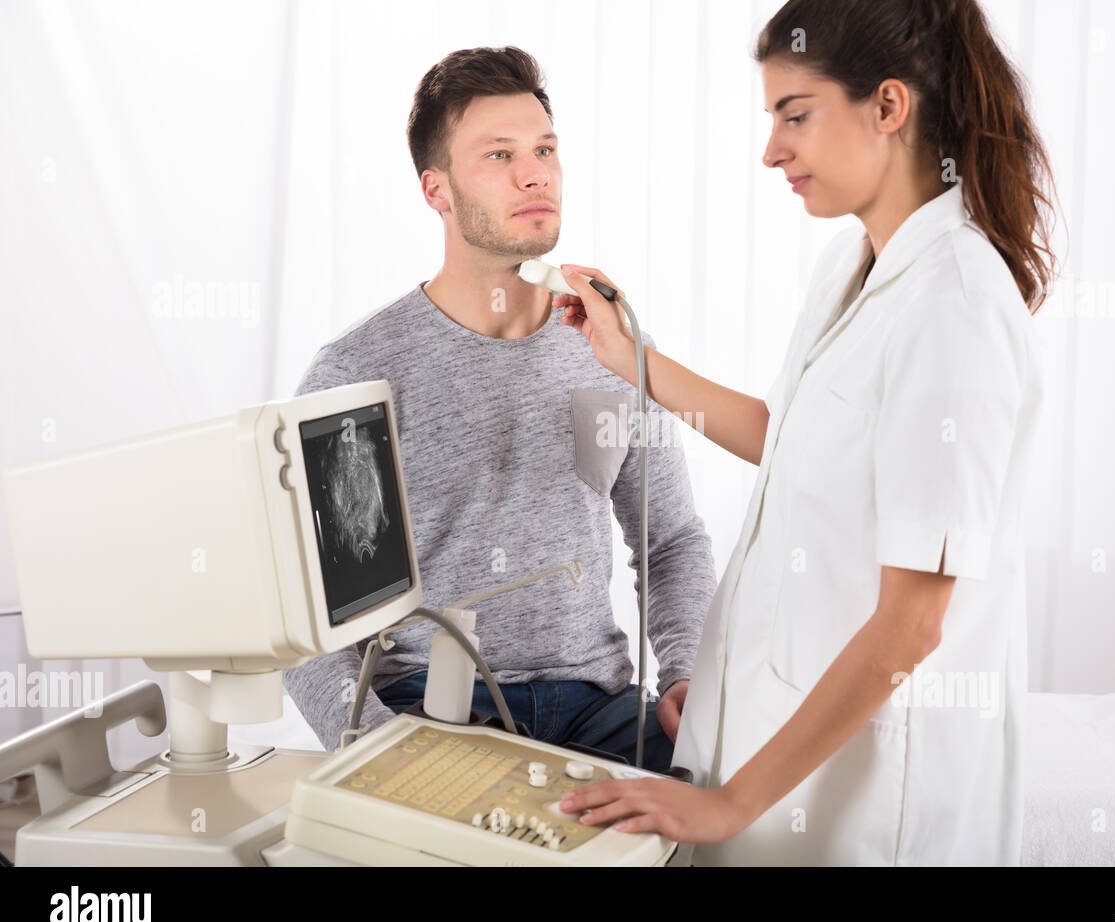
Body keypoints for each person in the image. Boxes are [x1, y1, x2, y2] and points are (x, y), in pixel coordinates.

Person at [554, 0, 1058, 864]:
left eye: (796, 115)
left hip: (868, 803)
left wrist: (725, 809)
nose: (772, 150)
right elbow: (782, 435)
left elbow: (912, 626)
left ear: (889, 107)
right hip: (771, 760)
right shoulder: (857, 263)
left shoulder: (956, 309)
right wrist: (635, 360)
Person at [284, 46, 717, 773]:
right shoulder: (356, 373)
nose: (535, 173)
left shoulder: (611, 346)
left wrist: (683, 674)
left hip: (597, 707)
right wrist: (373, 745)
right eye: (499, 155)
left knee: (727, 822)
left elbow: (671, 539)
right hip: (433, 708)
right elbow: (305, 614)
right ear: (437, 190)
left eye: (545, 149)